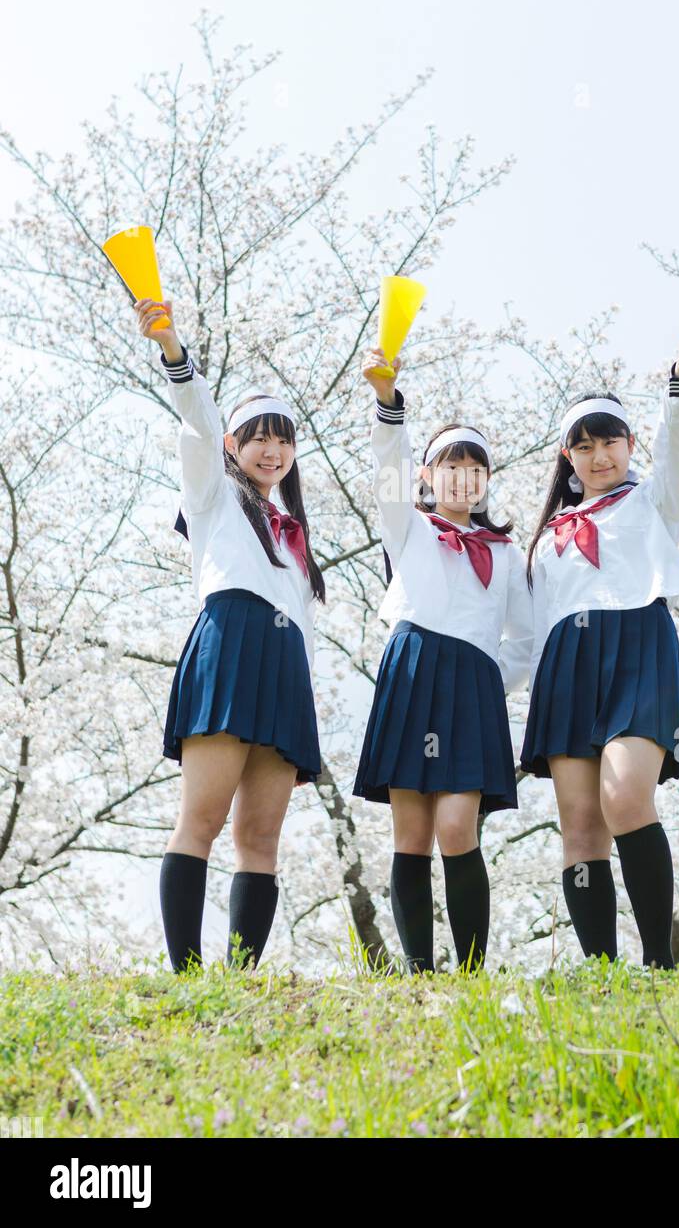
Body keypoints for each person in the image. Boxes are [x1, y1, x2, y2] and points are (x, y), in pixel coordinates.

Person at [521, 306, 679, 969]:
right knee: (581, 828)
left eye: (609, 441)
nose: (598, 456)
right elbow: (526, 633)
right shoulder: (545, 540)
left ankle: (658, 964)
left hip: (637, 648)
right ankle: (601, 972)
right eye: (583, 446)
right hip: (565, 665)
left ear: (630, 444)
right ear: (568, 457)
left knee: (625, 797)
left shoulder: (653, 502)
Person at [135, 296, 326, 973]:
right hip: (228, 644)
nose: (271, 450)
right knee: (204, 819)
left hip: (284, 667)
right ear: (232, 446)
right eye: (256, 437)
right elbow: (197, 415)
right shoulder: (212, 495)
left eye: (283, 439)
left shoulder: (295, 534)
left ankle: (240, 978)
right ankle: (187, 973)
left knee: (261, 834)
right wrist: (173, 350)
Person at [354, 345, 534, 974]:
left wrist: (489, 682)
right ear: (427, 477)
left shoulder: (507, 554)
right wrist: (387, 404)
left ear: (488, 481)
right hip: (412, 672)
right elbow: (388, 467)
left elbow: (526, 641)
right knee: (410, 832)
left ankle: (474, 970)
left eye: (475, 469)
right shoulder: (408, 528)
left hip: (472, 689)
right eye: (449, 467)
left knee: (459, 827)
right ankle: (418, 970)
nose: (462, 478)